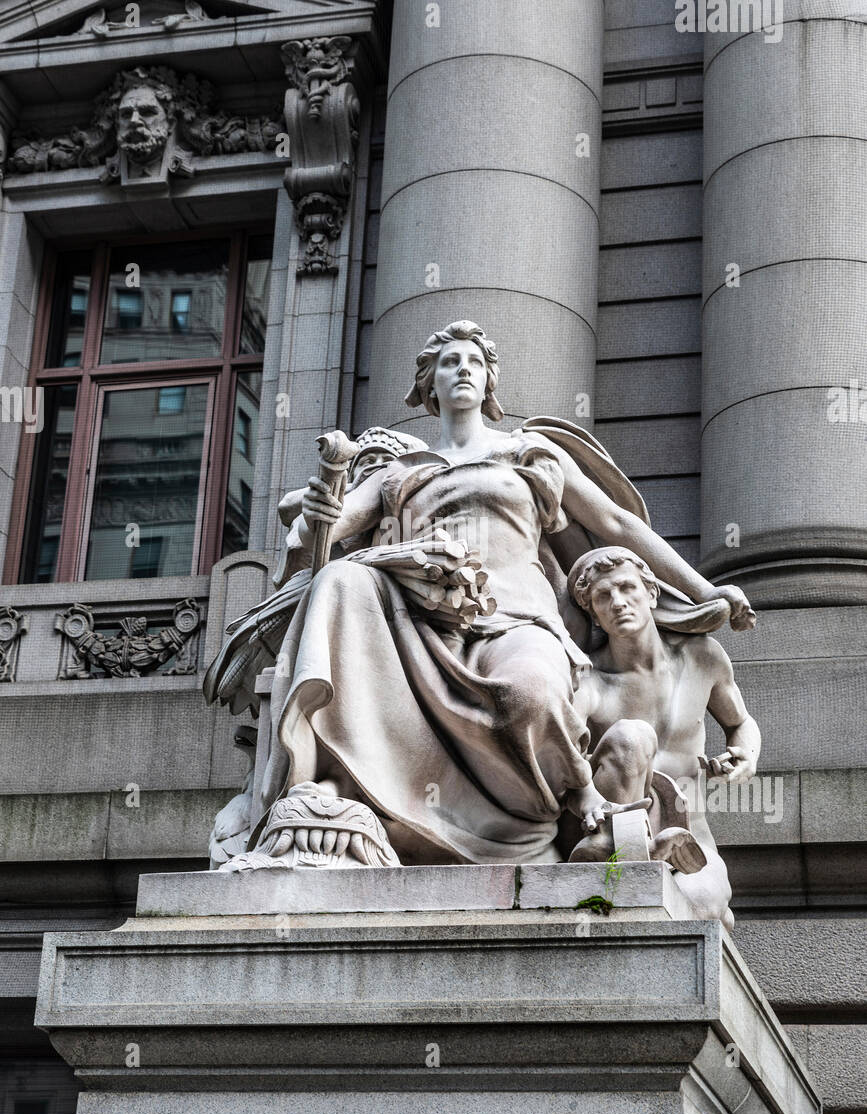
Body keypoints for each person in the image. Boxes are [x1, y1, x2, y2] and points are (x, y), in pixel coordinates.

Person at [214, 318, 754, 867]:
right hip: (418, 624)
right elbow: (331, 532)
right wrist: (315, 515)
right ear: (430, 385)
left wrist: (703, 588)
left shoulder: (529, 453)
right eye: (449, 362)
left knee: (531, 692)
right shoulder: (401, 472)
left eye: (473, 362)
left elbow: (617, 523)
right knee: (341, 579)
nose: (462, 369)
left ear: (490, 382)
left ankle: (576, 792)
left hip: (516, 619)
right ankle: (327, 782)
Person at [565, 546, 762, 926]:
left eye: (626, 588)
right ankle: (625, 853)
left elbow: (741, 722)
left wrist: (745, 754)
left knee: (702, 911)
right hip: (612, 832)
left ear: (651, 593)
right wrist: (584, 797)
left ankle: (665, 870)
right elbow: (561, 753)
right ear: (593, 612)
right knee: (631, 736)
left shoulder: (703, 657)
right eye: (603, 597)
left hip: (691, 842)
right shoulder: (590, 683)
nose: (618, 602)